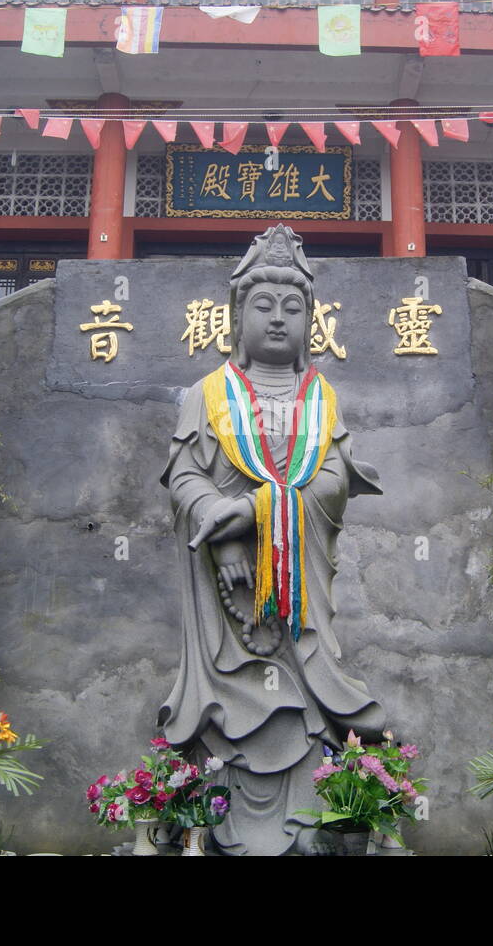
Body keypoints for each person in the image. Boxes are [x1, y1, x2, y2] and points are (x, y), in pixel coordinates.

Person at [158, 224, 386, 855]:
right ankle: (216, 817)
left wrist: (258, 510)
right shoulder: (208, 395)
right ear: (236, 317)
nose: (279, 319)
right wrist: (220, 527)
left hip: (298, 595)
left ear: (311, 320)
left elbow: (334, 479)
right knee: (231, 697)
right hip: (225, 584)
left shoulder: (322, 397)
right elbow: (183, 474)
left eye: (294, 307)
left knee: (306, 700)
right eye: (263, 305)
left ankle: (310, 821)